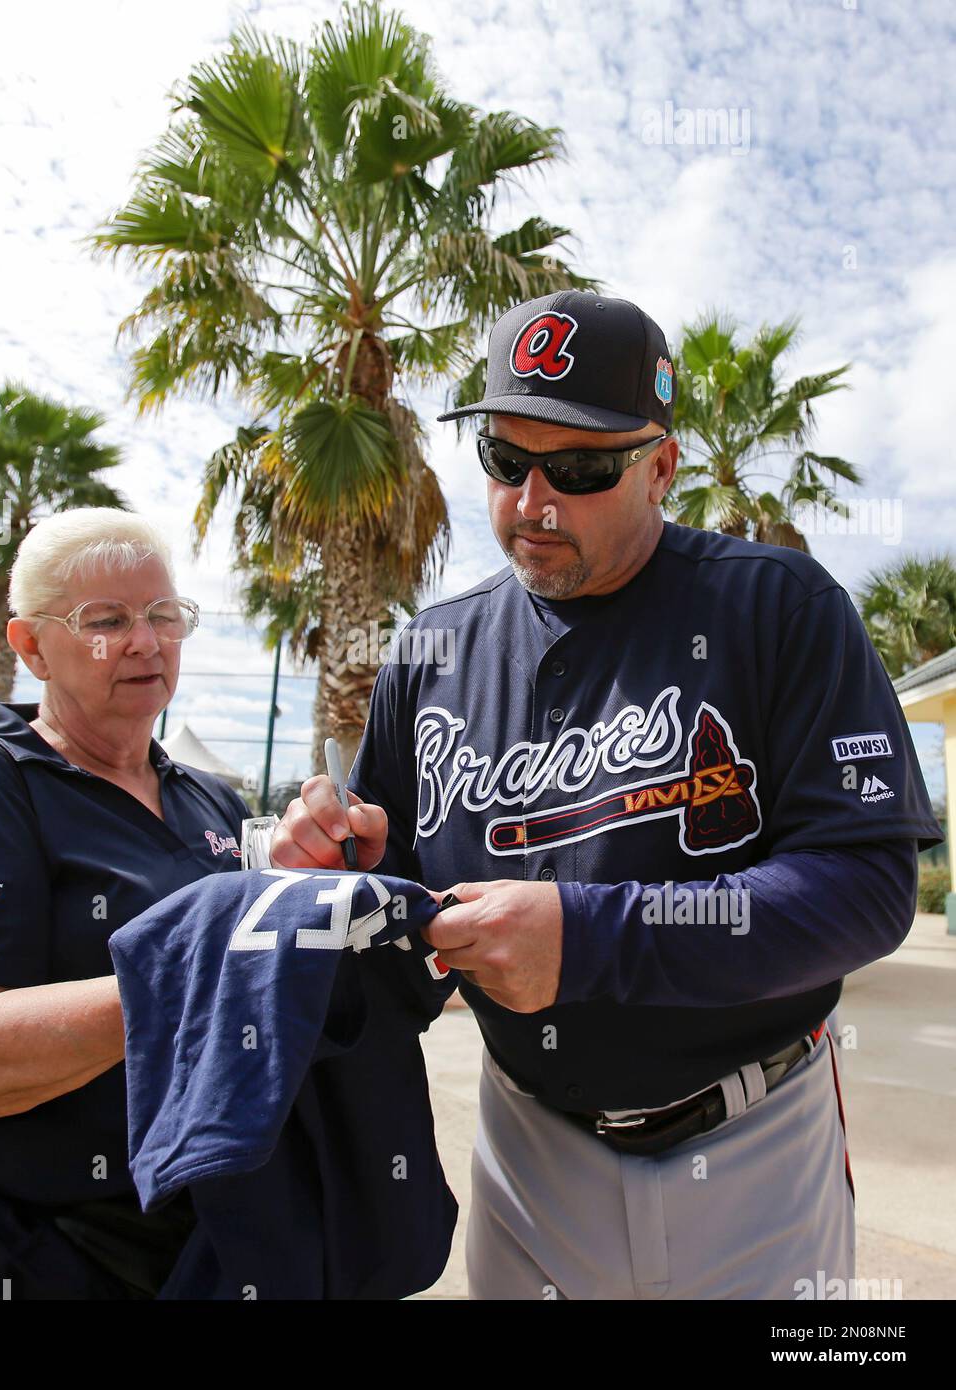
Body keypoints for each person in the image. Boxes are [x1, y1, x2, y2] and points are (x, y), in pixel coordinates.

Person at [269, 291, 943, 1300]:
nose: (532, 502)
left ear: (660, 466)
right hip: (529, 1142)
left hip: (752, 1137)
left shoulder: (777, 607)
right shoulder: (431, 648)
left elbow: (866, 885)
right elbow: (396, 914)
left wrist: (592, 938)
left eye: (579, 468)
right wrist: (337, 870)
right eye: (506, 460)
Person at [0, 508, 253, 1299]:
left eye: (163, 616)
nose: (144, 641)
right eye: (105, 621)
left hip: (189, 1249)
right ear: (29, 645)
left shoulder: (211, 803)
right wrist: (182, 983)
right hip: (6, 1256)